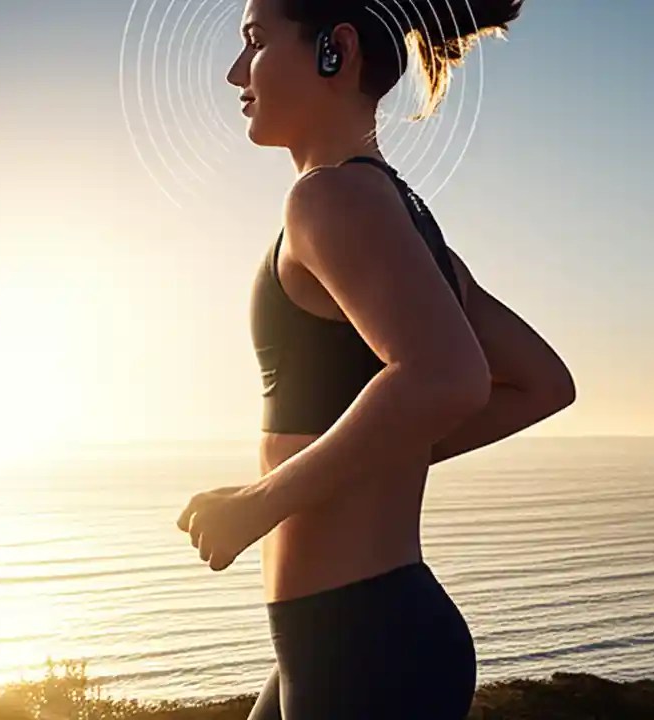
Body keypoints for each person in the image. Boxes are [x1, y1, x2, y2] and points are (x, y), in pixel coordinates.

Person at [175, 0, 574, 717]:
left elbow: (449, 377)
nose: (237, 72)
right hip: (349, 637)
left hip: (363, 648)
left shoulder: (329, 199)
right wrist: (354, 467)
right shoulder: (399, 213)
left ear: (338, 50)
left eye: (256, 42)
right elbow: (540, 383)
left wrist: (259, 505)